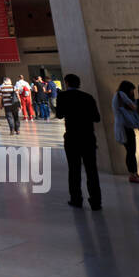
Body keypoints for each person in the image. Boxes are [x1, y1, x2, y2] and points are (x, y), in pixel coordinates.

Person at [56, 73, 102, 210]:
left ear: (66, 83)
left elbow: (59, 115)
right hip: (88, 137)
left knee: (74, 169)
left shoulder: (63, 96)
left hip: (72, 137)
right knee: (92, 170)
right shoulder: (88, 97)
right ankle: (96, 201)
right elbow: (97, 118)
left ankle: (76, 199)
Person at [113, 80, 139, 184]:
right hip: (125, 128)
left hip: (125, 127)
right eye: (132, 90)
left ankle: (134, 174)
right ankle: (133, 175)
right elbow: (133, 106)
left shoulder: (118, 96)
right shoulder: (121, 94)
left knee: (131, 152)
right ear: (127, 89)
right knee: (131, 152)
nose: (133, 92)